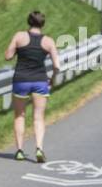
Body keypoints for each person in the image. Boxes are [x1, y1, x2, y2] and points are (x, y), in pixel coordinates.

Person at [4, 11, 61, 163]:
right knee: (39, 117)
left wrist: (17, 48)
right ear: (43, 23)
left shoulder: (19, 36)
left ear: (28, 21)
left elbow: (8, 56)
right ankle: (39, 148)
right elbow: (57, 65)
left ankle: (20, 151)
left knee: (19, 115)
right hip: (40, 80)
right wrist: (53, 78)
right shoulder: (48, 41)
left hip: (21, 80)